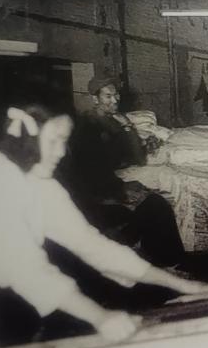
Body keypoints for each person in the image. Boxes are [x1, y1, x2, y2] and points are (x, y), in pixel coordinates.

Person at [0, 106, 208, 345]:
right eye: (54, 140)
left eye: (64, 141)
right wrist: (100, 317)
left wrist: (181, 285)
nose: (61, 152)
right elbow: (25, 270)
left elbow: (92, 246)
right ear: (23, 136)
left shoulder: (40, 182)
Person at [61, 76, 186, 267]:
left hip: (107, 184)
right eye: (108, 96)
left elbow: (137, 158)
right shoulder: (86, 126)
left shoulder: (113, 122)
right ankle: (169, 263)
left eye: (116, 94)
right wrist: (121, 191)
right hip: (94, 195)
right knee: (156, 204)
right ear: (95, 99)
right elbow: (90, 171)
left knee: (157, 201)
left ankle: (165, 261)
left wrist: (127, 126)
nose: (115, 100)